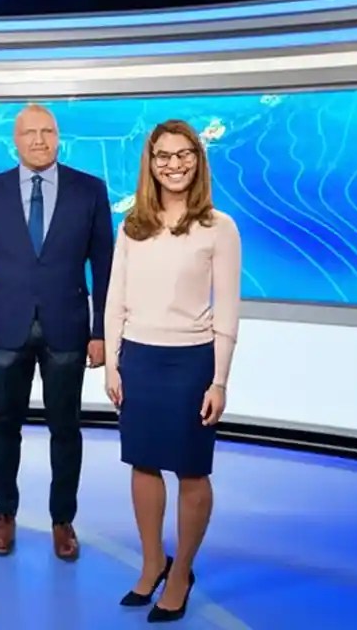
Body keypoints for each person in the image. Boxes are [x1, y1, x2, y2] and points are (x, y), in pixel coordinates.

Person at [0, 103, 114, 561]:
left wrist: (102, 330)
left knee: (65, 428)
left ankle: (62, 520)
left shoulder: (90, 191)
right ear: (16, 140)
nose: (40, 140)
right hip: (5, 327)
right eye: (30, 132)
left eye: (48, 131)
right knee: (5, 424)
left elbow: (105, 269)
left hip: (68, 328)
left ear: (59, 136)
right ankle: (4, 513)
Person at [103, 119, 242, 623]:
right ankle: (151, 563)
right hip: (138, 358)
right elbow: (115, 298)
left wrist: (219, 379)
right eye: (163, 155)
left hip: (191, 362)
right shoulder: (132, 225)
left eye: (184, 154)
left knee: (191, 470)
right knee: (142, 463)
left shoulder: (218, 228)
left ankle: (181, 571)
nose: (174, 164)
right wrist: (113, 365)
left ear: (197, 161)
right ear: (151, 163)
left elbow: (226, 309)